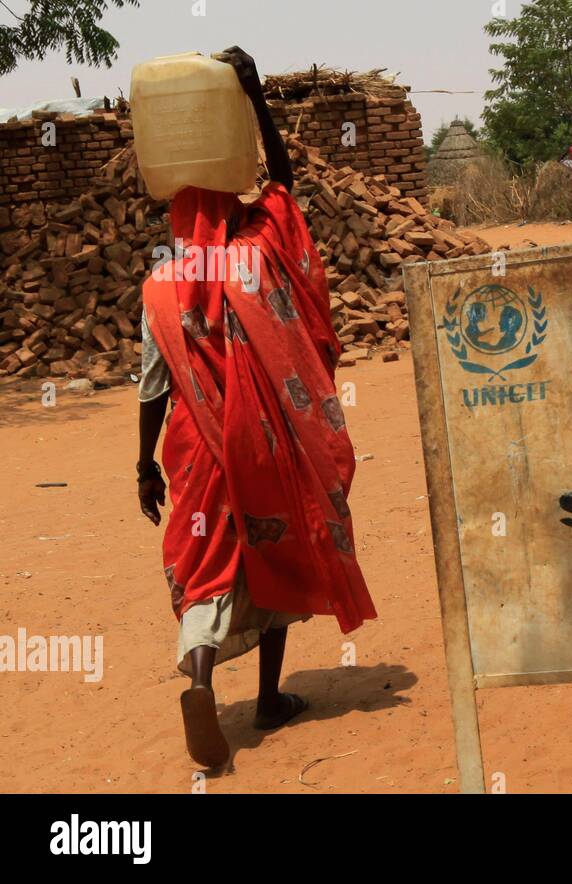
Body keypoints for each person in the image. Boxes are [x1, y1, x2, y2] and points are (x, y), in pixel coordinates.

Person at [136, 46, 377, 769]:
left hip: (197, 446)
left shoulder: (161, 284)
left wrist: (143, 466)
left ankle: (203, 681)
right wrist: (252, 93)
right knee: (279, 543)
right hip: (267, 440)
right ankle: (270, 696)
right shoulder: (258, 253)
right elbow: (285, 184)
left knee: (209, 564)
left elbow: (152, 386)